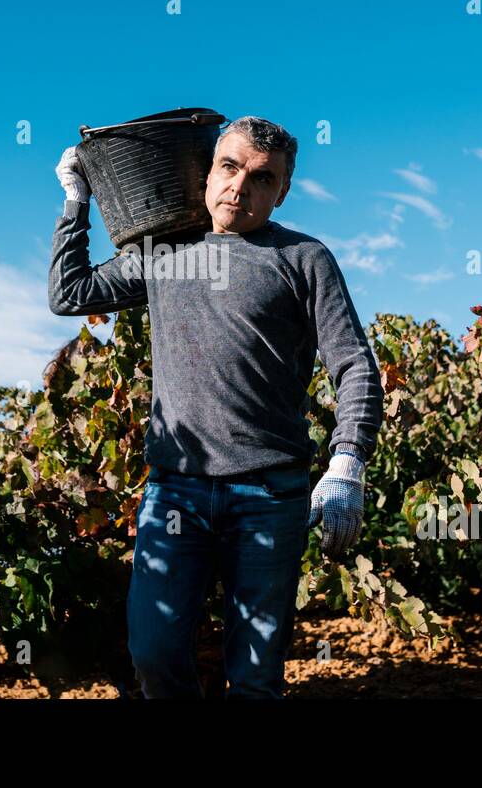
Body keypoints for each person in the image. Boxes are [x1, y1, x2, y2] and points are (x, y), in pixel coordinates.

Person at [47, 115, 384, 698]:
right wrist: (76, 202)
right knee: (153, 655)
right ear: (206, 171)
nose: (240, 187)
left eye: (262, 178)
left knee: (255, 678)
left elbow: (354, 364)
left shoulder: (305, 258)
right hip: (176, 491)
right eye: (230, 168)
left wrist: (347, 463)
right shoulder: (163, 252)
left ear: (280, 192)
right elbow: (69, 294)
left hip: (271, 495)